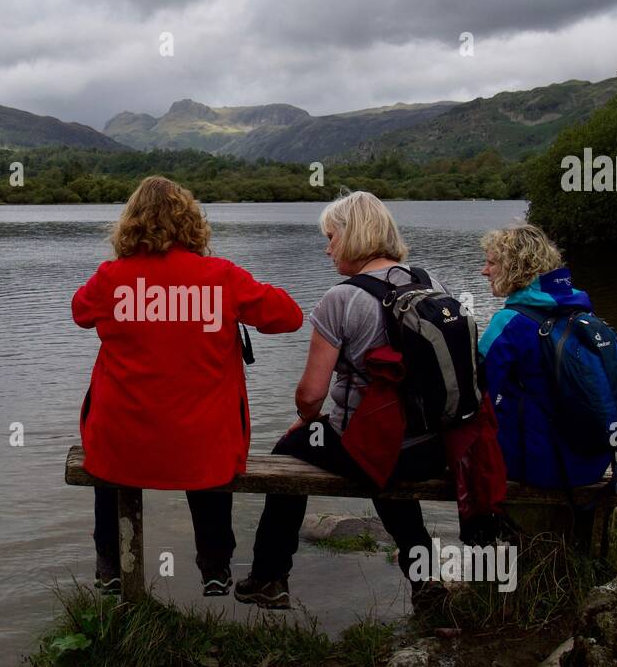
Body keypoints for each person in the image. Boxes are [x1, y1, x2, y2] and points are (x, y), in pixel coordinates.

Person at [72, 175, 304, 597]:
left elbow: (80, 312)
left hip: (122, 445)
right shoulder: (222, 276)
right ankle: (214, 566)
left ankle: (109, 566)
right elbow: (289, 316)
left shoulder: (110, 277)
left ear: (131, 224)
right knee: (205, 439)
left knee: (110, 455)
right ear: (190, 222)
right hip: (204, 447)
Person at [235, 191, 447, 611]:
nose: (327, 247)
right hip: (433, 445)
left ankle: (269, 577)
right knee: (387, 468)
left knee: (290, 453)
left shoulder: (342, 298)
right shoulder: (431, 283)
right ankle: (426, 585)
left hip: (379, 448)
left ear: (353, 236)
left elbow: (311, 394)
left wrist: (306, 419)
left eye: (331, 236)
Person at [477, 224, 614, 494]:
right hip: (593, 460)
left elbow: (476, 390)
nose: (484, 270)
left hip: (542, 467)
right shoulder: (580, 311)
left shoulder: (509, 322)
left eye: (491, 263)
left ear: (515, 268)